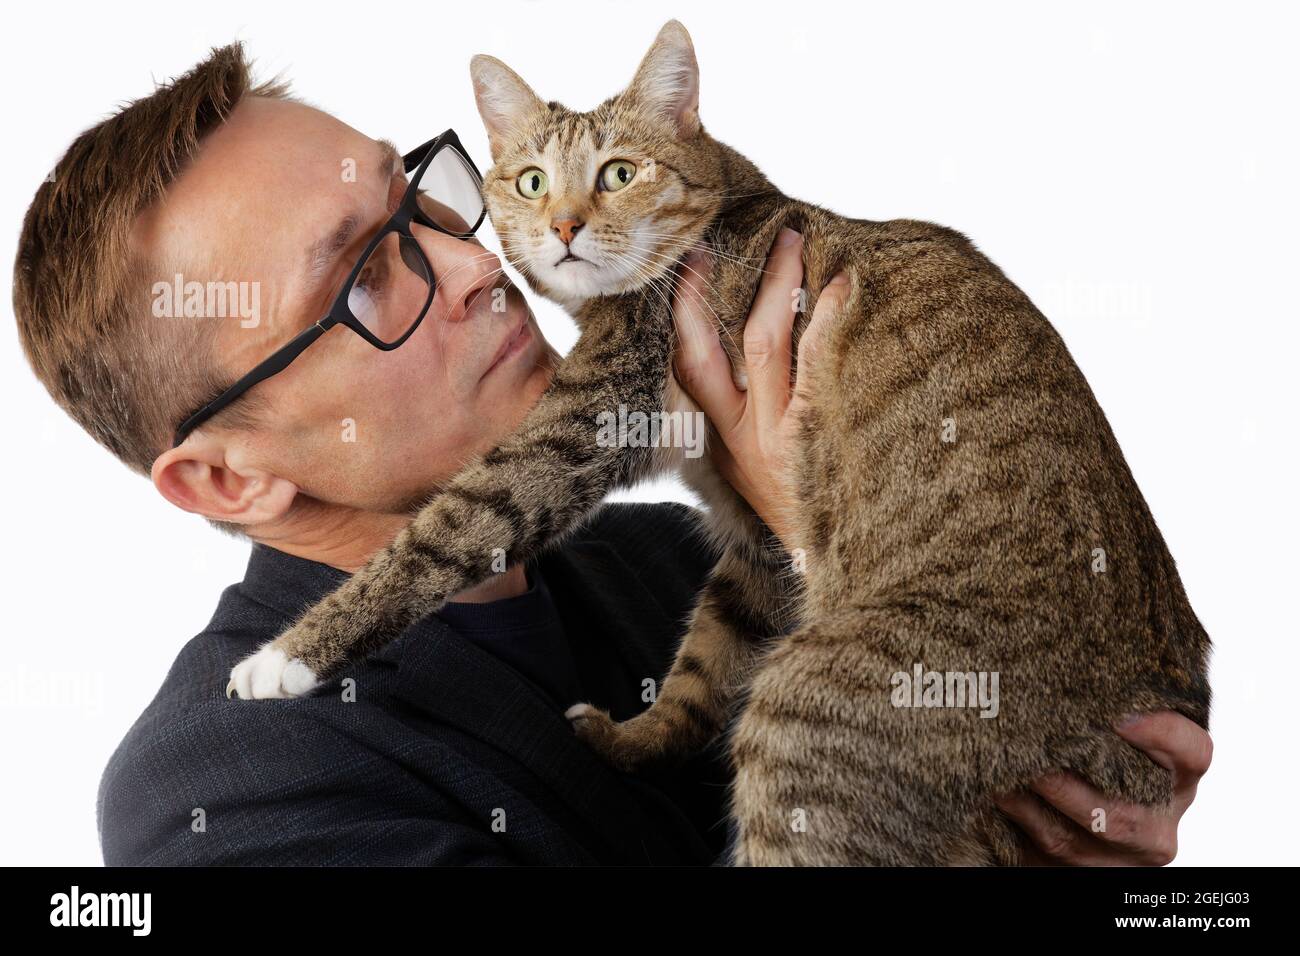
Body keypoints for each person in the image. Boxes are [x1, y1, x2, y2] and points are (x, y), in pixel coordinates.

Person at [12, 44, 1211, 865]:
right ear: (229, 478)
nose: (484, 263)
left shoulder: (659, 557)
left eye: (420, 204)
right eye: (363, 277)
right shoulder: (223, 789)